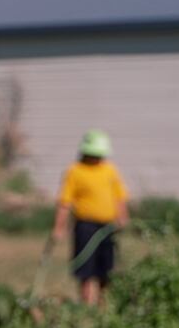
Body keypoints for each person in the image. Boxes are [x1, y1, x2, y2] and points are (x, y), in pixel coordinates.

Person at [52, 129, 128, 306]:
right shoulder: (75, 171)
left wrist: (123, 217)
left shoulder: (110, 170)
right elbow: (65, 203)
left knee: (106, 268)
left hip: (107, 227)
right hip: (85, 226)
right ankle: (86, 303)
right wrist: (59, 227)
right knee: (86, 269)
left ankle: (103, 303)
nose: (96, 159)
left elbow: (119, 197)